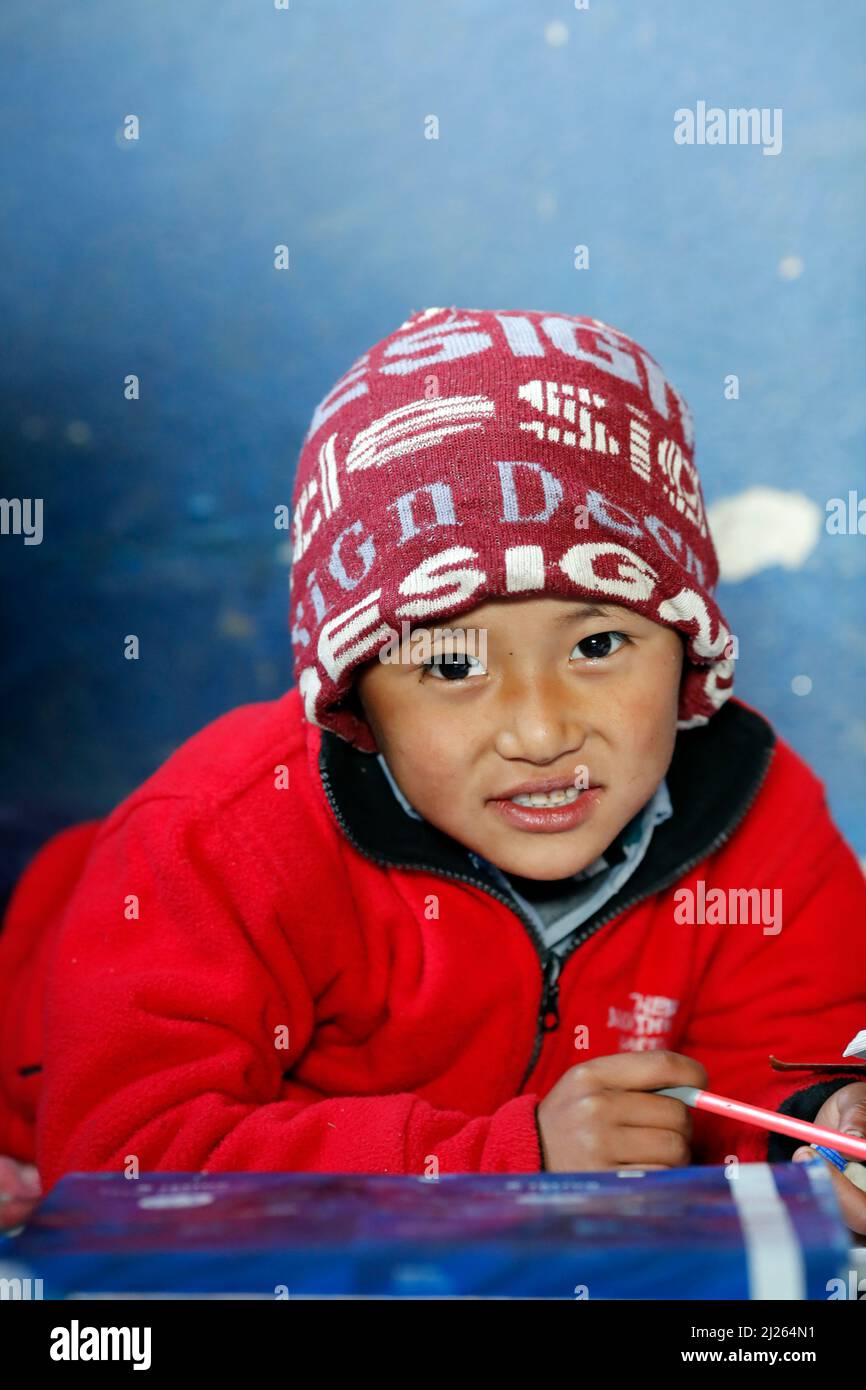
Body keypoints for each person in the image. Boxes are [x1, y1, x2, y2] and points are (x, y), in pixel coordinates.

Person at [1, 305, 864, 1239]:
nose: (539, 732)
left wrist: (825, 1132)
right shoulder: (223, 835)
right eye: (452, 666)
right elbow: (121, 1159)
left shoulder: (759, 818)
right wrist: (511, 1162)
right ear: (352, 688)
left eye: (601, 642)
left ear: (690, 650)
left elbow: (772, 1087)